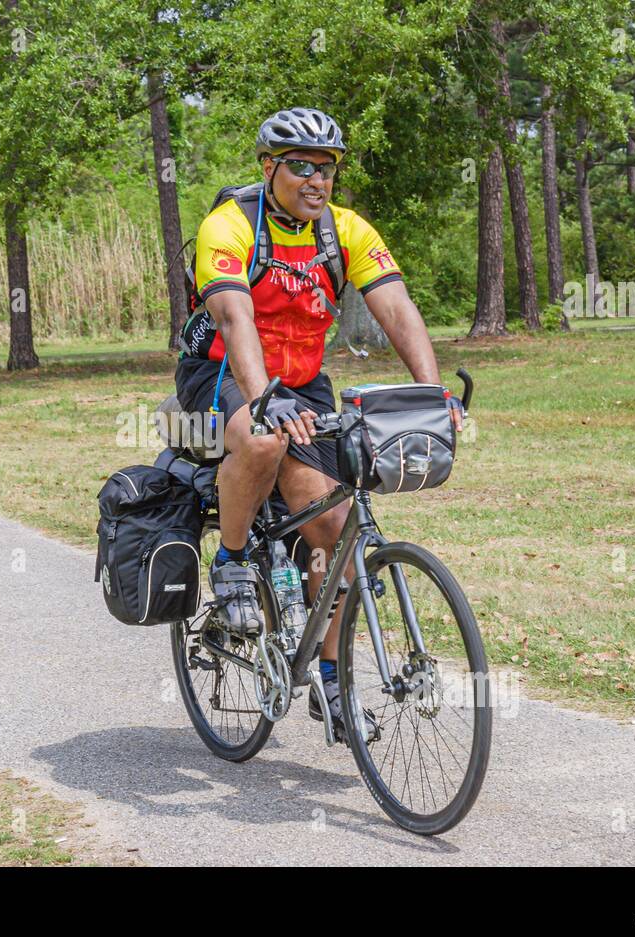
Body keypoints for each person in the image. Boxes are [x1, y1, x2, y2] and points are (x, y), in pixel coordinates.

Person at [175, 107, 465, 738]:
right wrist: (261, 398)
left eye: (326, 168)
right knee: (261, 434)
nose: (315, 180)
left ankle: (331, 682)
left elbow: (396, 309)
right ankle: (229, 563)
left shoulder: (346, 232)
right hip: (222, 372)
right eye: (300, 166)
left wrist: (431, 391)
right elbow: (233, 321)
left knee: (333, 529)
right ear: (268, 167)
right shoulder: (227, 226)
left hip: (303, 381)